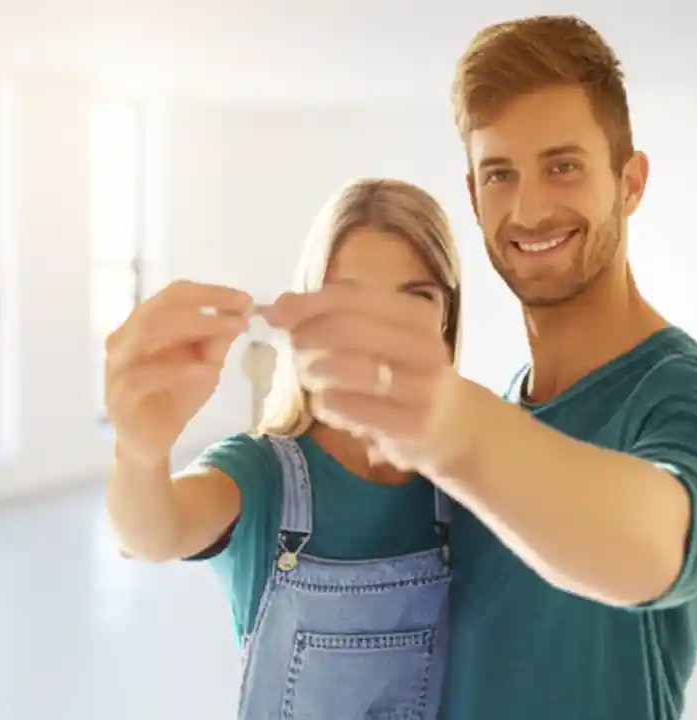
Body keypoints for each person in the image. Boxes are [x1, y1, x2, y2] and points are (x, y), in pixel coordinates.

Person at [258, 15, 697, 720]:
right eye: (501, 174)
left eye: (563, 167)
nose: (528, 210)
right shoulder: (500, 413)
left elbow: (654, 548)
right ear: (473, 196)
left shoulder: (691, 402)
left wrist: (451, 427)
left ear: (631, 182)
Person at [104, 178, 463, 719]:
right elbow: (150, 533)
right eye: (349, 300)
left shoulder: (471, 474)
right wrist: (139, 449)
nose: (380, 329)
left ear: (446, 314)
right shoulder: (262, 471)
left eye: (415, 297)